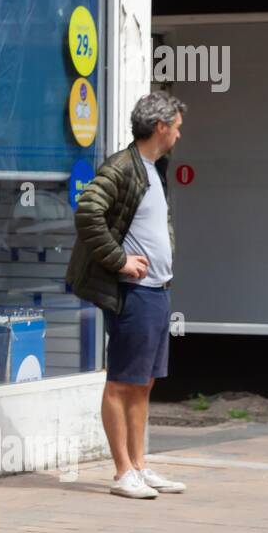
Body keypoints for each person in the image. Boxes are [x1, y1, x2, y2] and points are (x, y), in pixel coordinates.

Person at [67, 91, 188, 499]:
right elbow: (87, 212)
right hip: (134, 292)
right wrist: (120, 261)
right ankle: (122, 472)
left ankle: (139, 465)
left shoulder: (154, 168)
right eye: (176, 127)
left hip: (156, 291)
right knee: (122, 382)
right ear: (160, 127)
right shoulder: (123, 167)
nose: (178, 135)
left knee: (143, 382)